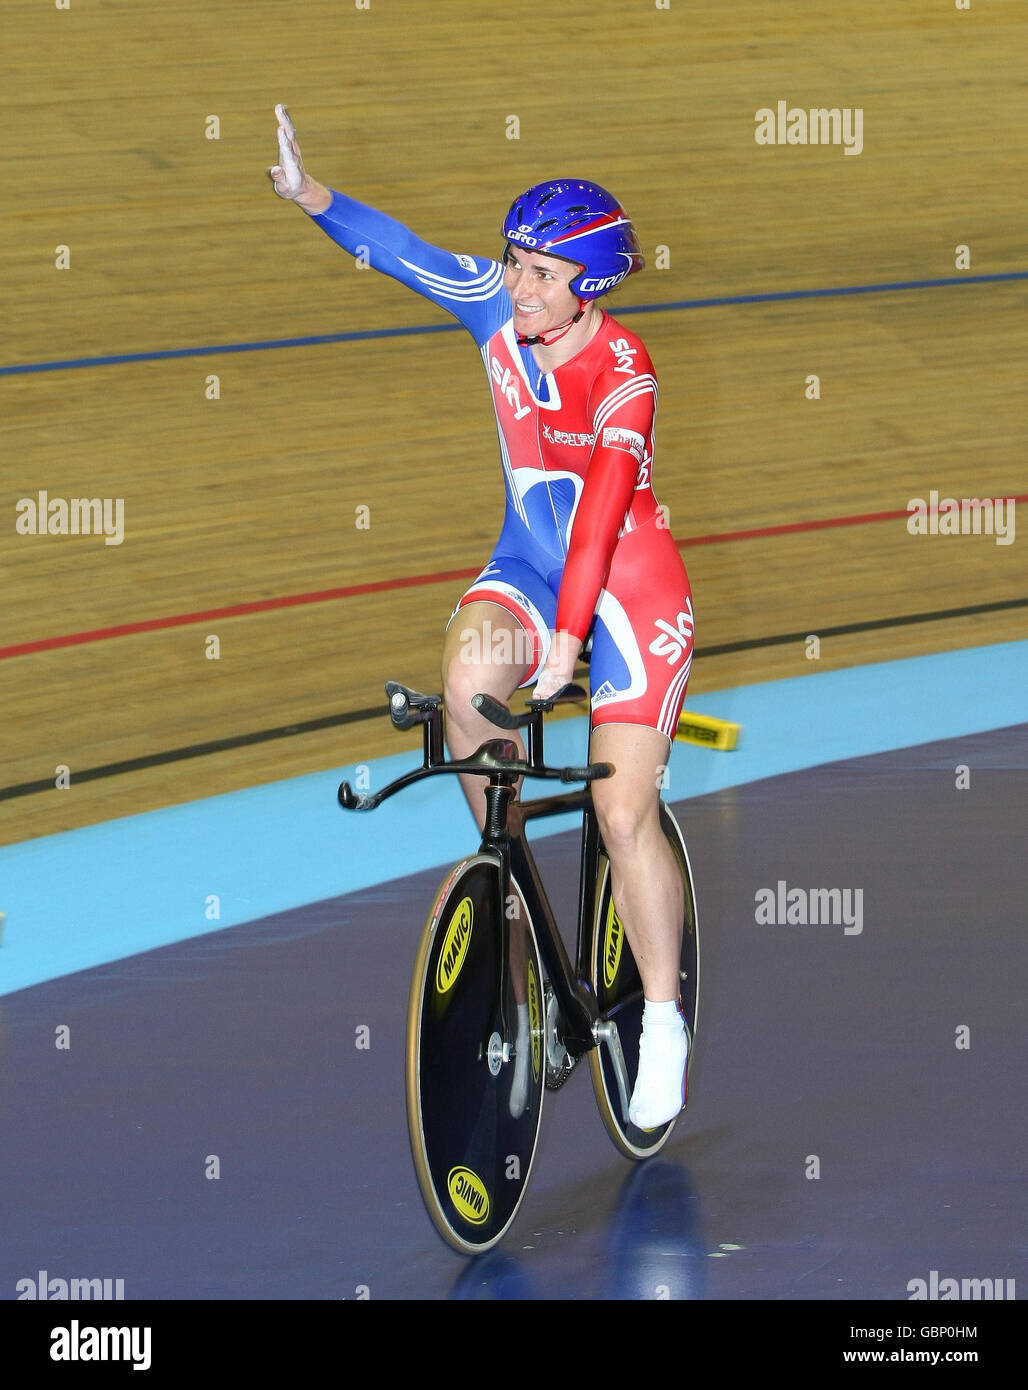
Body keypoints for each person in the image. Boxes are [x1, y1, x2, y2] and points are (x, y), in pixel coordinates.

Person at [269, 104, 695, 1129]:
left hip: (629, 587)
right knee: (463, 693)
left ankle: (665, 1023)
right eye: (513, 260)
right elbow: (405, 254)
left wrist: (567, 636)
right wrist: (314, 197)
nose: (516, 282)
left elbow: (597, 512)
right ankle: (509, 898)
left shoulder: (623, 373)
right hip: (525, 566)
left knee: (620, 810)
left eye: (541, 272)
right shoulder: (495, 311)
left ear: (586, 284)